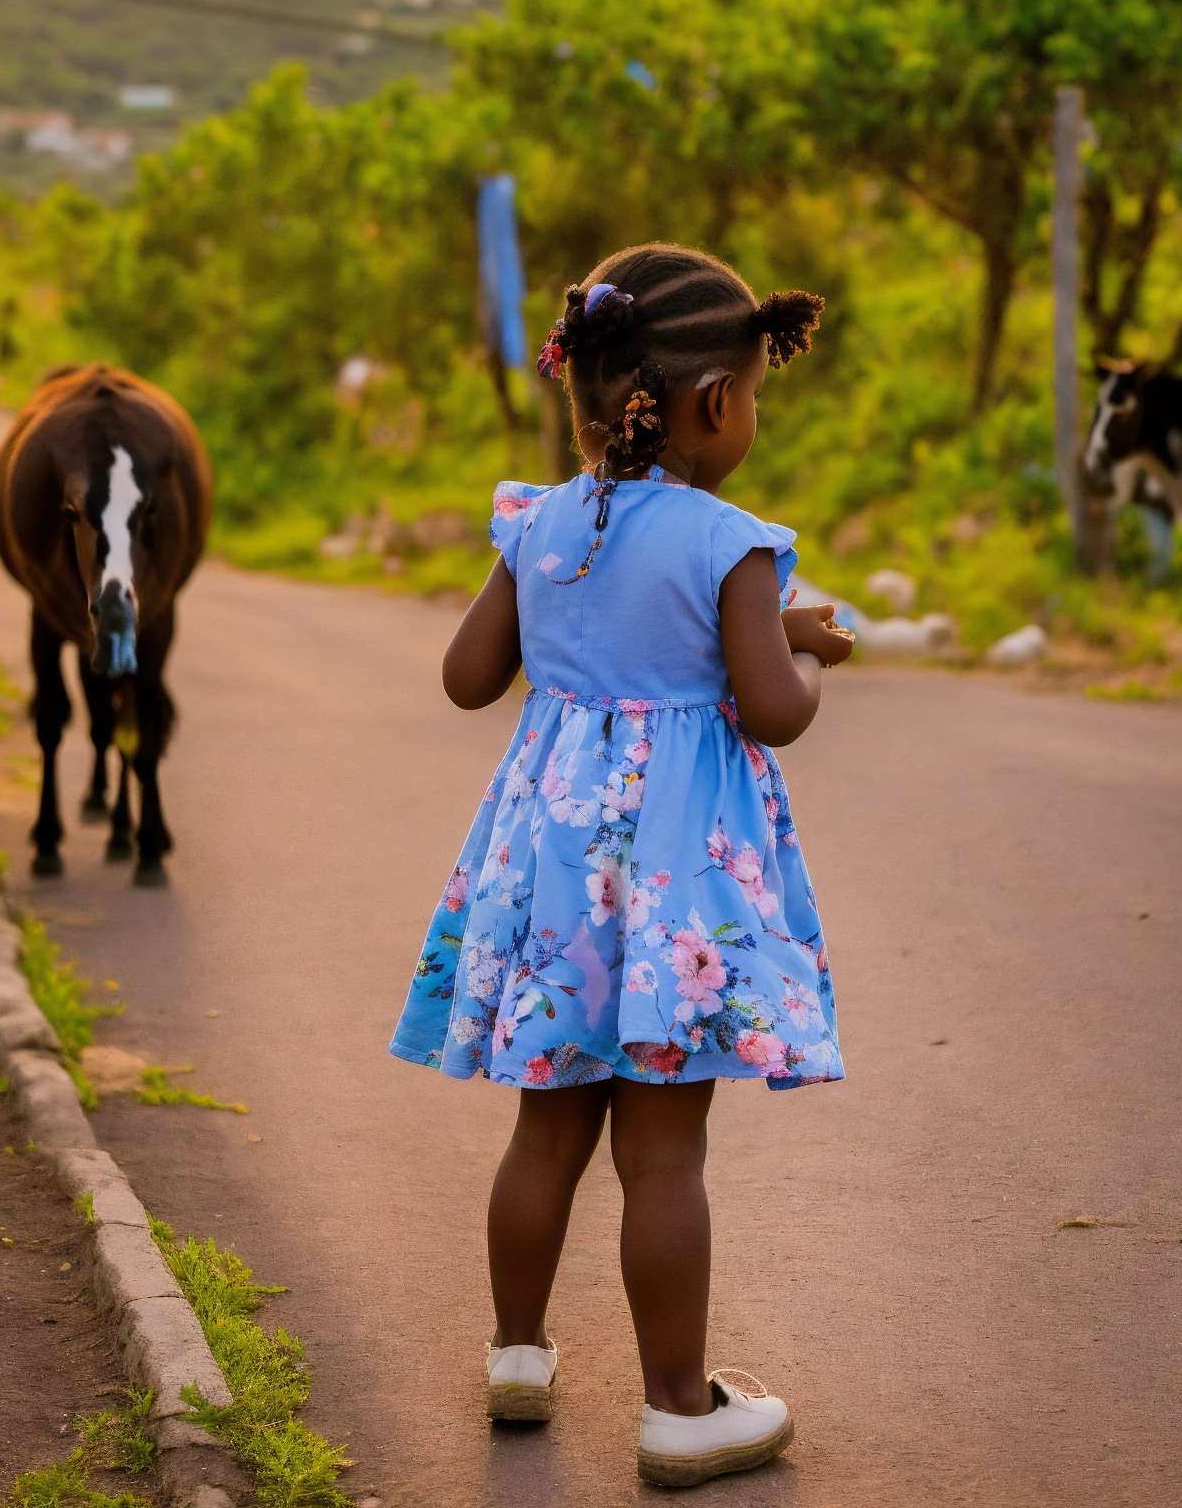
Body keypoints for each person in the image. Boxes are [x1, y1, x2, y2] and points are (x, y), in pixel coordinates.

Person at [388, 243, 854, 1490]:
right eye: (753, 399)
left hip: (553, 882)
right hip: (667, 898)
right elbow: (769, 707)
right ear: (714, 402)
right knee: (663, 1156)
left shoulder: (540, 520)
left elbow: (470, 676)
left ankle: (517, 1355)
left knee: (545, 1136)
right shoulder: (730, 542)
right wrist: (811, 656)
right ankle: (677, 1411)